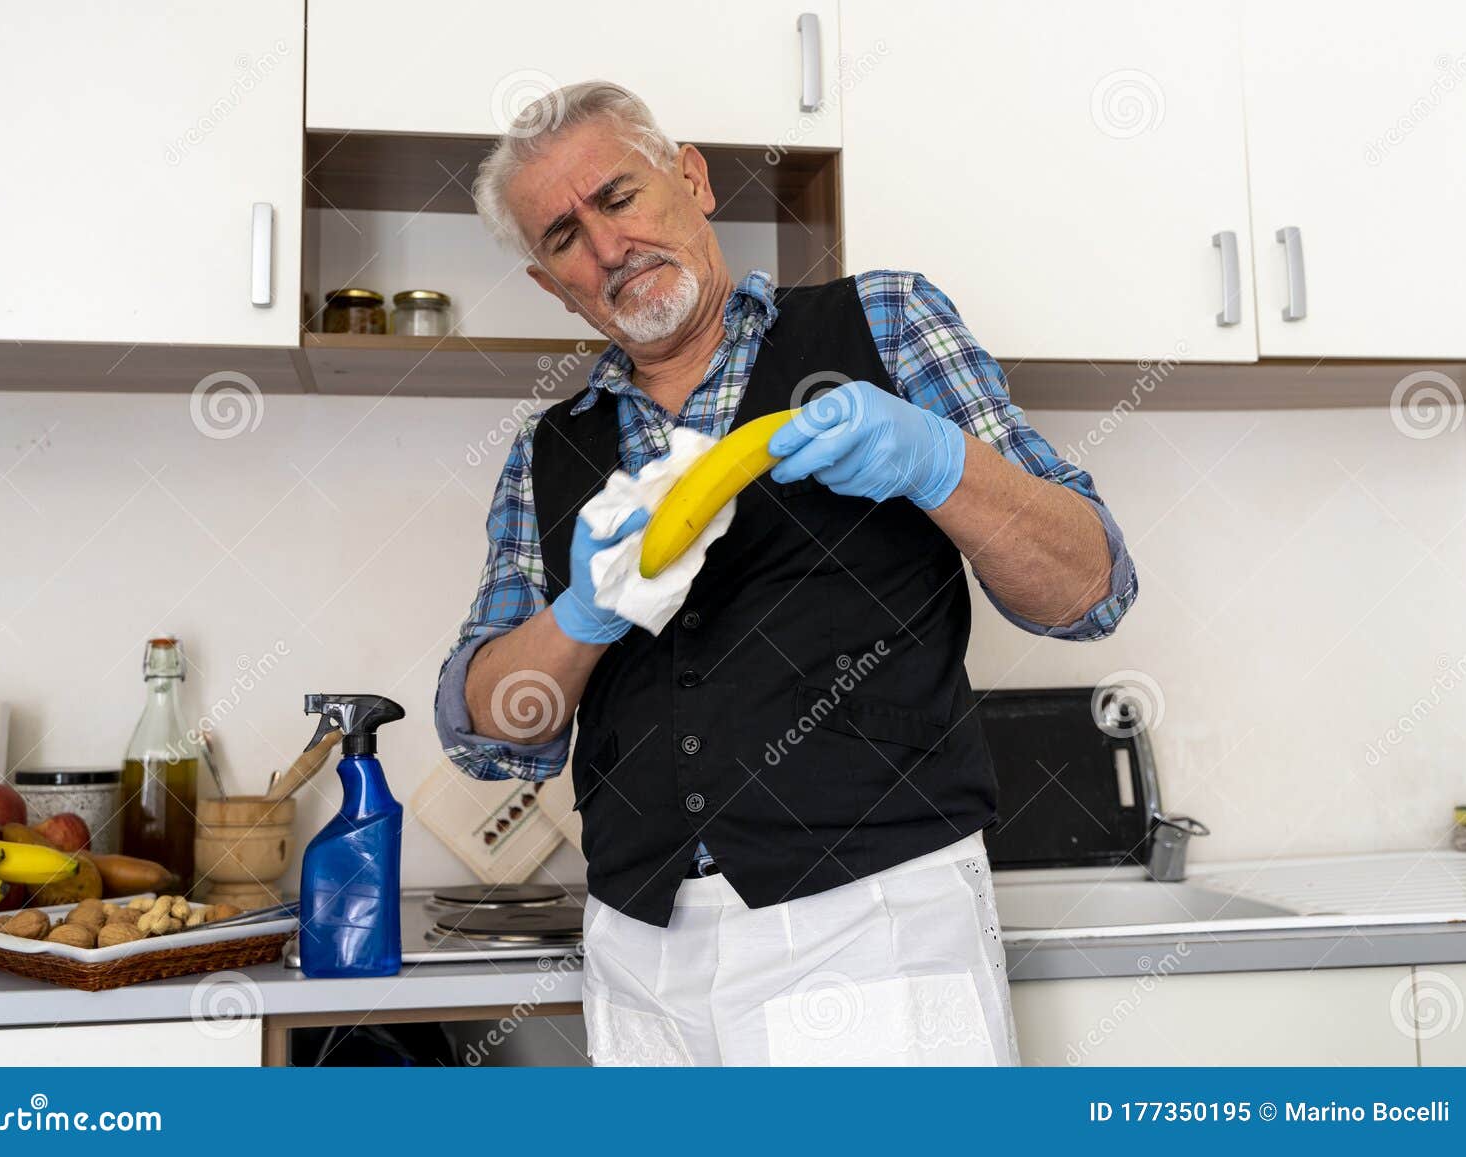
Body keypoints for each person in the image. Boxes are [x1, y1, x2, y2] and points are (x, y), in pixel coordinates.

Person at [435, 81, 1137, 1065]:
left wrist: (940, 462)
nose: (605, 247)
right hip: (642, 954)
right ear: (553, 285)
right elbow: (490, 739)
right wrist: (581, 619)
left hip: (873, 924)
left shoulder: (883, 322)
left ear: (691, 180)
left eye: (620, 196)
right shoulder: (550, 447)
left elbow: (1088, 588)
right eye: (561, 237)